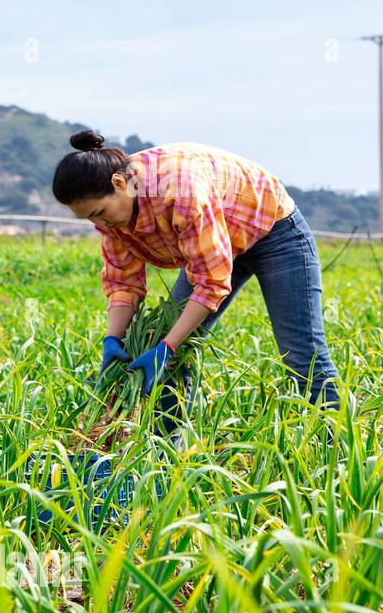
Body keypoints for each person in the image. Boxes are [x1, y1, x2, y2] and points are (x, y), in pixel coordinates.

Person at [52, 130, 340, 413]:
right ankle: (163, 453)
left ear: (119, 183)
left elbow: (210, 283)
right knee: (166, 353)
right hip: (210, 240)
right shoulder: (111, 215)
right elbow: (123, 282)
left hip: (274, 233)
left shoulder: (178, 190)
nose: (98, 223)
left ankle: (332, 449)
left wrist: (168, 346)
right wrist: (112, 339)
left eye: (99, 213)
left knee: (302, 357)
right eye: (88, 218)